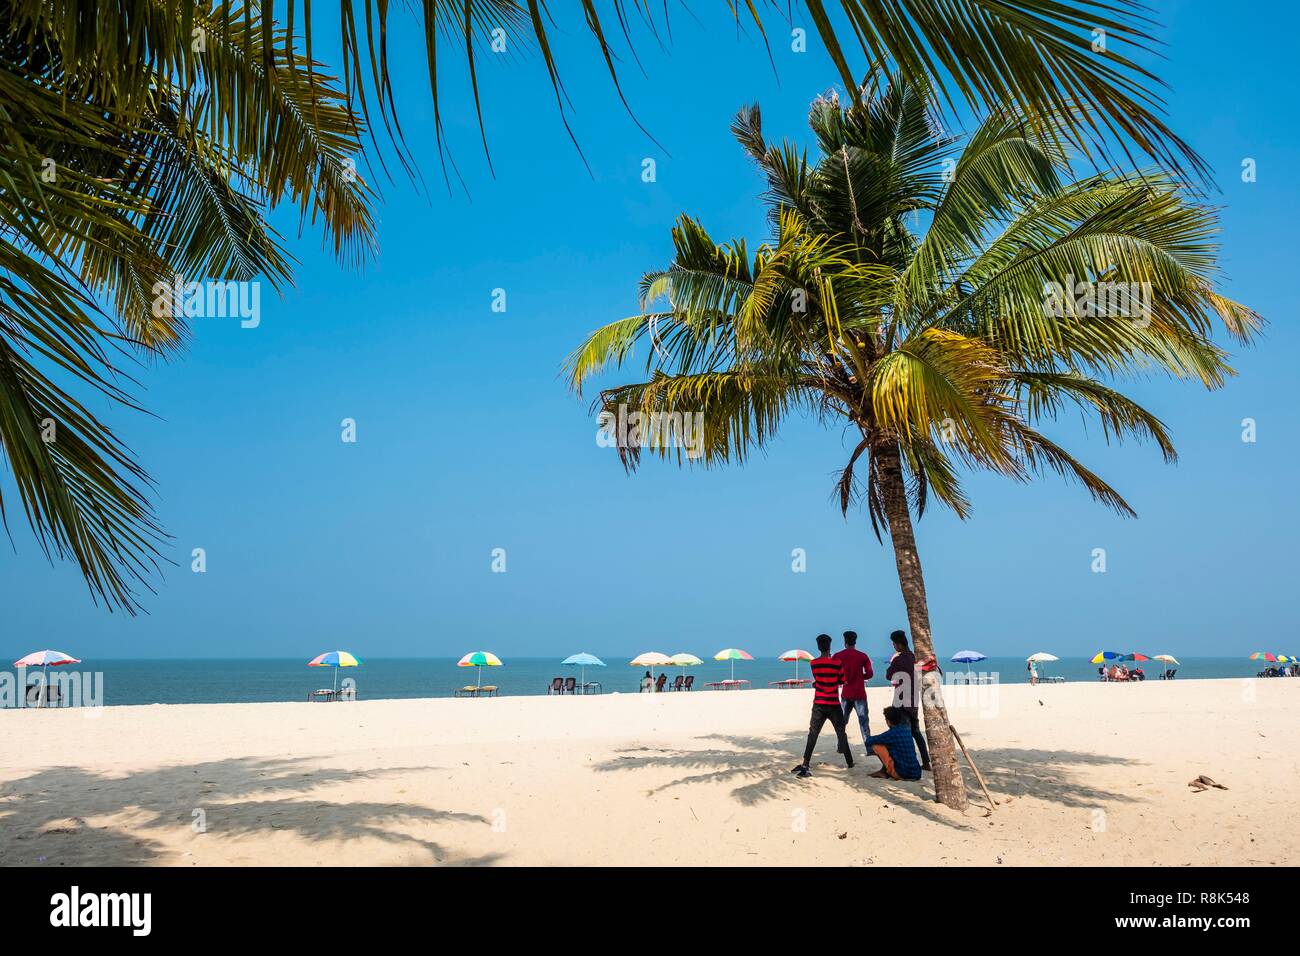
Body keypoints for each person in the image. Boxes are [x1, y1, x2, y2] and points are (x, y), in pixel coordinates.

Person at [791, 634, 853, 778]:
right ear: (830, 646)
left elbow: (819, 680)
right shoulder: (837, 663)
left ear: (818, 646)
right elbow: (842, 680)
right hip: (834, 703)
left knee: (813, 733)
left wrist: (817, 684)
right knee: (841, 733)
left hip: (819, 703)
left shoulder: (813, 663)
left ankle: (806, 763)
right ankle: (850, 762)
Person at [885, 630, 931, 771]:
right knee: (916, 732)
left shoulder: (898, 660)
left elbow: (888, 675)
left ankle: (906, 762)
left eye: (894, 644)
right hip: (914, 700)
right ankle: (926, 761)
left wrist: (894, 660)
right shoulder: (916, 658)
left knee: (901, 732)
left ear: (898, 645)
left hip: (901, 701)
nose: (893, 646)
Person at [833, 630, 873, 750]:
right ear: (855, 642)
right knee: (864, 722)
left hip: (846, 694)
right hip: (859, 693)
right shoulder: (863, 656)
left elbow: (834, 674)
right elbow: (870, 673)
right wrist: (861, 677)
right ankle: (869, 748)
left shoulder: (837, 656)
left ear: (845, 642)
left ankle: (841, 746)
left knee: (842, 722)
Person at [864, 707, 923, 780]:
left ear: (888, 721)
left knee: (877, 745)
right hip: (917, 773)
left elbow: (869, 741)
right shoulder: (906, 729)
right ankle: (884, 771)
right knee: (890, 745)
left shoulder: (892, 733)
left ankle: (884, 772)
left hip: (903, 774)